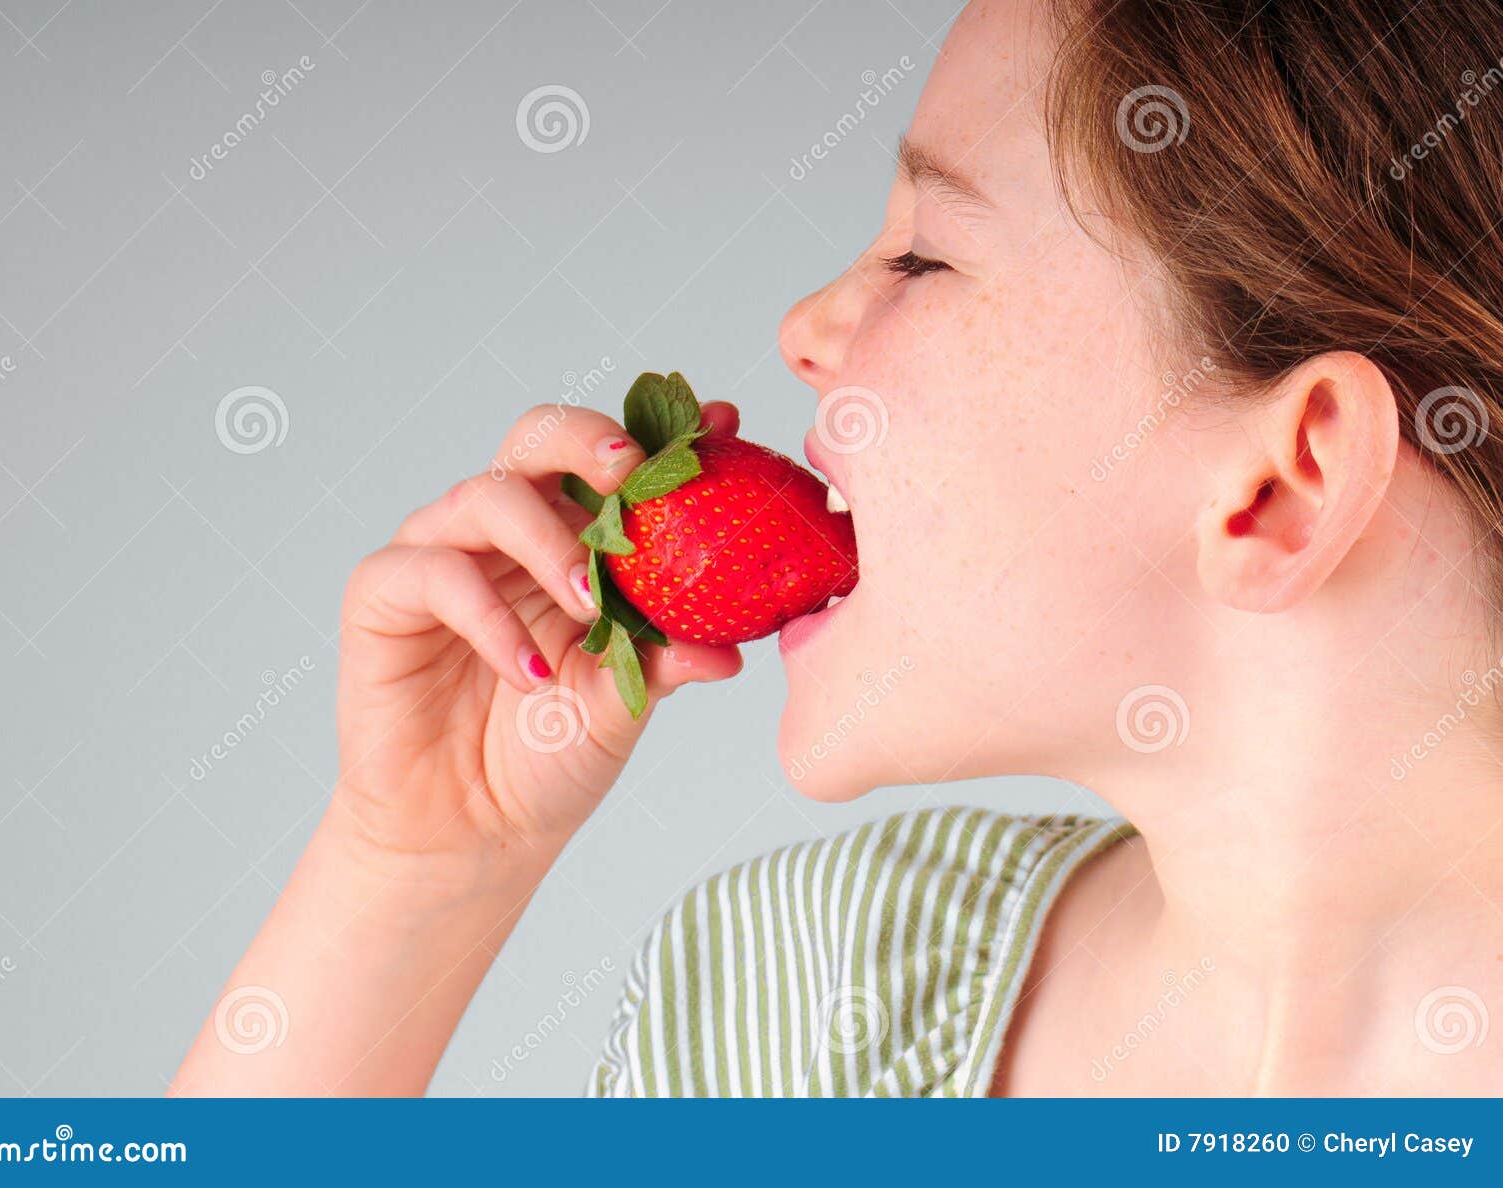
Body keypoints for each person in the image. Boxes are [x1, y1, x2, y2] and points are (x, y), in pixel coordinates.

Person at [172, 0, 1503, 1096]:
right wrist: (421, 866)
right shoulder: (796, 998)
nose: (803, 328)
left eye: (923, 259)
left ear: (1284, 484)